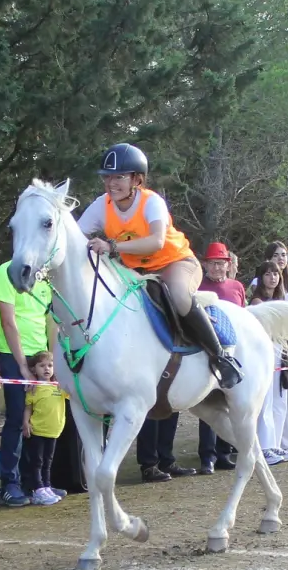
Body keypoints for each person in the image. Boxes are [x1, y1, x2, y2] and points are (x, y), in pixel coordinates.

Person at [83, 143, 241, 388]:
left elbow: (156, 242)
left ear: (137, 179)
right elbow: (77, 234)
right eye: (107, 177)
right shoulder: (101, 205)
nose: (111, 183)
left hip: (175, 262)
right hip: (137, 272)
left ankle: (221, 357)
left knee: (178, 294)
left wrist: (112, 247)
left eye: (119, 177)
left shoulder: (151, 202)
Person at [0, 249, 53, 508]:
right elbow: (7, 322)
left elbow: (50, 321)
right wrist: (22, 366)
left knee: (40, 418)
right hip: (12, 355)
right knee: (16, 419)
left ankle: (37, 482)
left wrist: (52, 361)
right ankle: (10, 483)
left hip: (40, 354)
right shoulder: (6, 271)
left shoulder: (46, 278)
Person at [196, 243, 244, 474]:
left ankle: (225, 452)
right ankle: (207, 456)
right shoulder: (198, 286)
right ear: (205, 265)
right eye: (213, 263)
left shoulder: (236, 286)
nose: (217, 268)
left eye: (221, 263)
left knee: (231, 403)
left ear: (228, 265)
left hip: (233, 354)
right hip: (207, 353)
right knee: (208, 406)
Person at [23, 351, 67, 505]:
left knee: (48, 461)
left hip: (54, 430)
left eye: (50, 365)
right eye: (42, 366)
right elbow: (28, 407)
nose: (46, 369)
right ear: (34, 369)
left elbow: (71, 394)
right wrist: (26, 423)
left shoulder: (59, 387)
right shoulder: (34, 388)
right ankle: (38, 489)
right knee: (37, 461)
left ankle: (47, 486)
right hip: (37, 431)